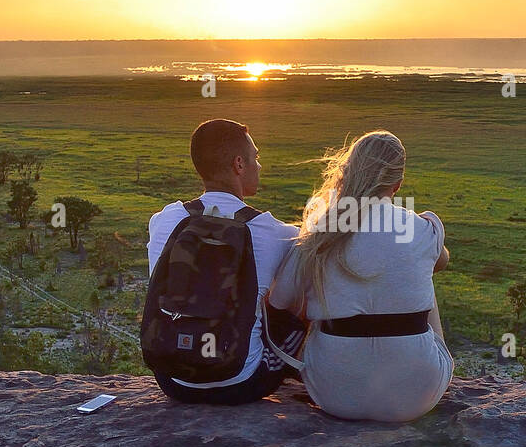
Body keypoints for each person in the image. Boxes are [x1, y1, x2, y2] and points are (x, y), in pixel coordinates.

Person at [267, 130, 452, 421]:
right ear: (398, 184)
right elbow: (442, 261)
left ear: (348, 172)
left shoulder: (320, 230)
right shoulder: (422, 228)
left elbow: (280, 301)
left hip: (336, 394)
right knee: (423, 279)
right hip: (417, 395)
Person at [145, 119, 303, 404]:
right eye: (256, 158)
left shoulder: (163, 221)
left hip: (172, 378)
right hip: (241, 381)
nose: (260, 166)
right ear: (239, 165)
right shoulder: (279, 234)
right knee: (294, 315)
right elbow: (288, 299)